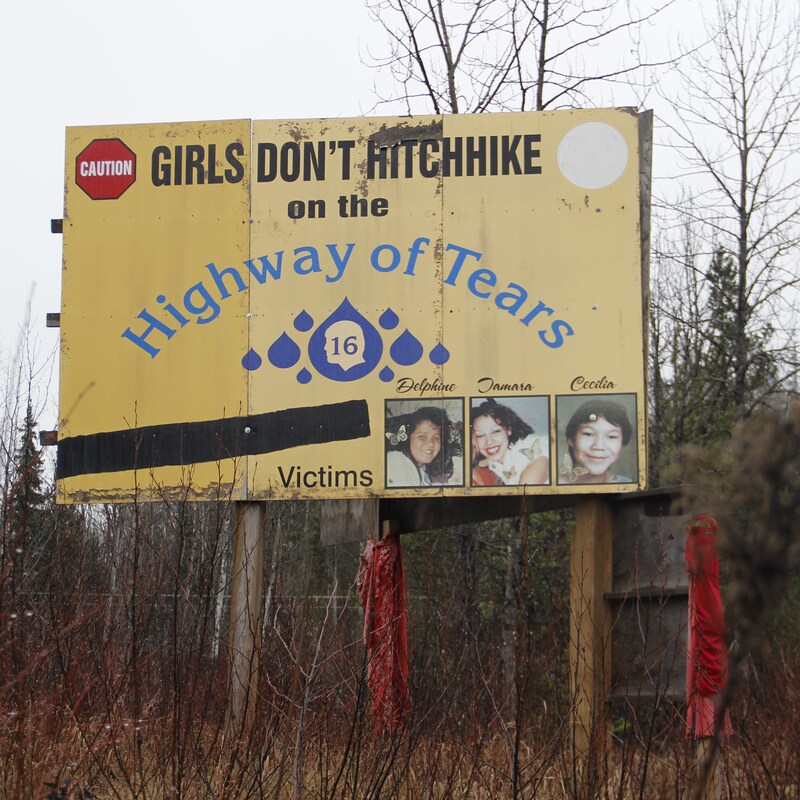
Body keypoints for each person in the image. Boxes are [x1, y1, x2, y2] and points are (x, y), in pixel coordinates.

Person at [470, 400, 549, 486]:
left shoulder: (529, 448)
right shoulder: (494, 461)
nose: (489, 441)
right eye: (480, 435)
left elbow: (542, 463)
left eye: (496, 431)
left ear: (509, 430)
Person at [559, 399, 633, 484]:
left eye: (612, 436)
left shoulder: (628, 486)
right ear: (571, 439)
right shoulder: (548, 484)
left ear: (622, 443)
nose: (599, 446)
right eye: (588, 434)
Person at [386, 406, 461, 487]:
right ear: (407, 437)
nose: (431, 444)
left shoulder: (422, 471)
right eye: (422, 436)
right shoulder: (393, 461)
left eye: (436, 438)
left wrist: (435, 484)